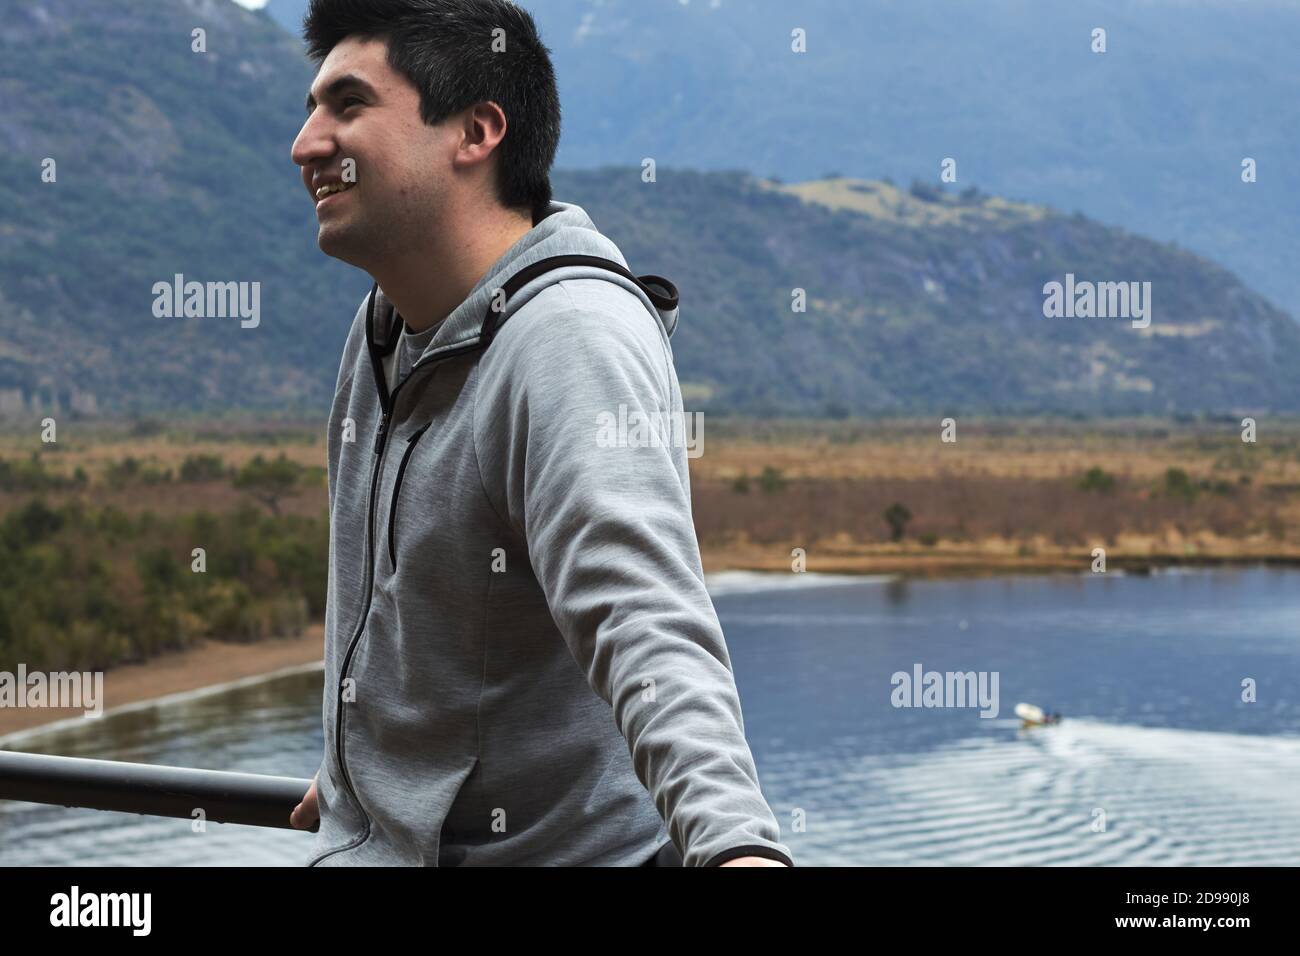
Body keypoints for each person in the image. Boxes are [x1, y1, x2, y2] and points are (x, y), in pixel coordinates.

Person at [286, 0, 791, 867]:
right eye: (310, 111)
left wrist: (736, 847)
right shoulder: (389, 326)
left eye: (349, 104)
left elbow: (641, 614)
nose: (306, 144)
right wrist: (360, 771)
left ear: (477, 130)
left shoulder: (567, 337)